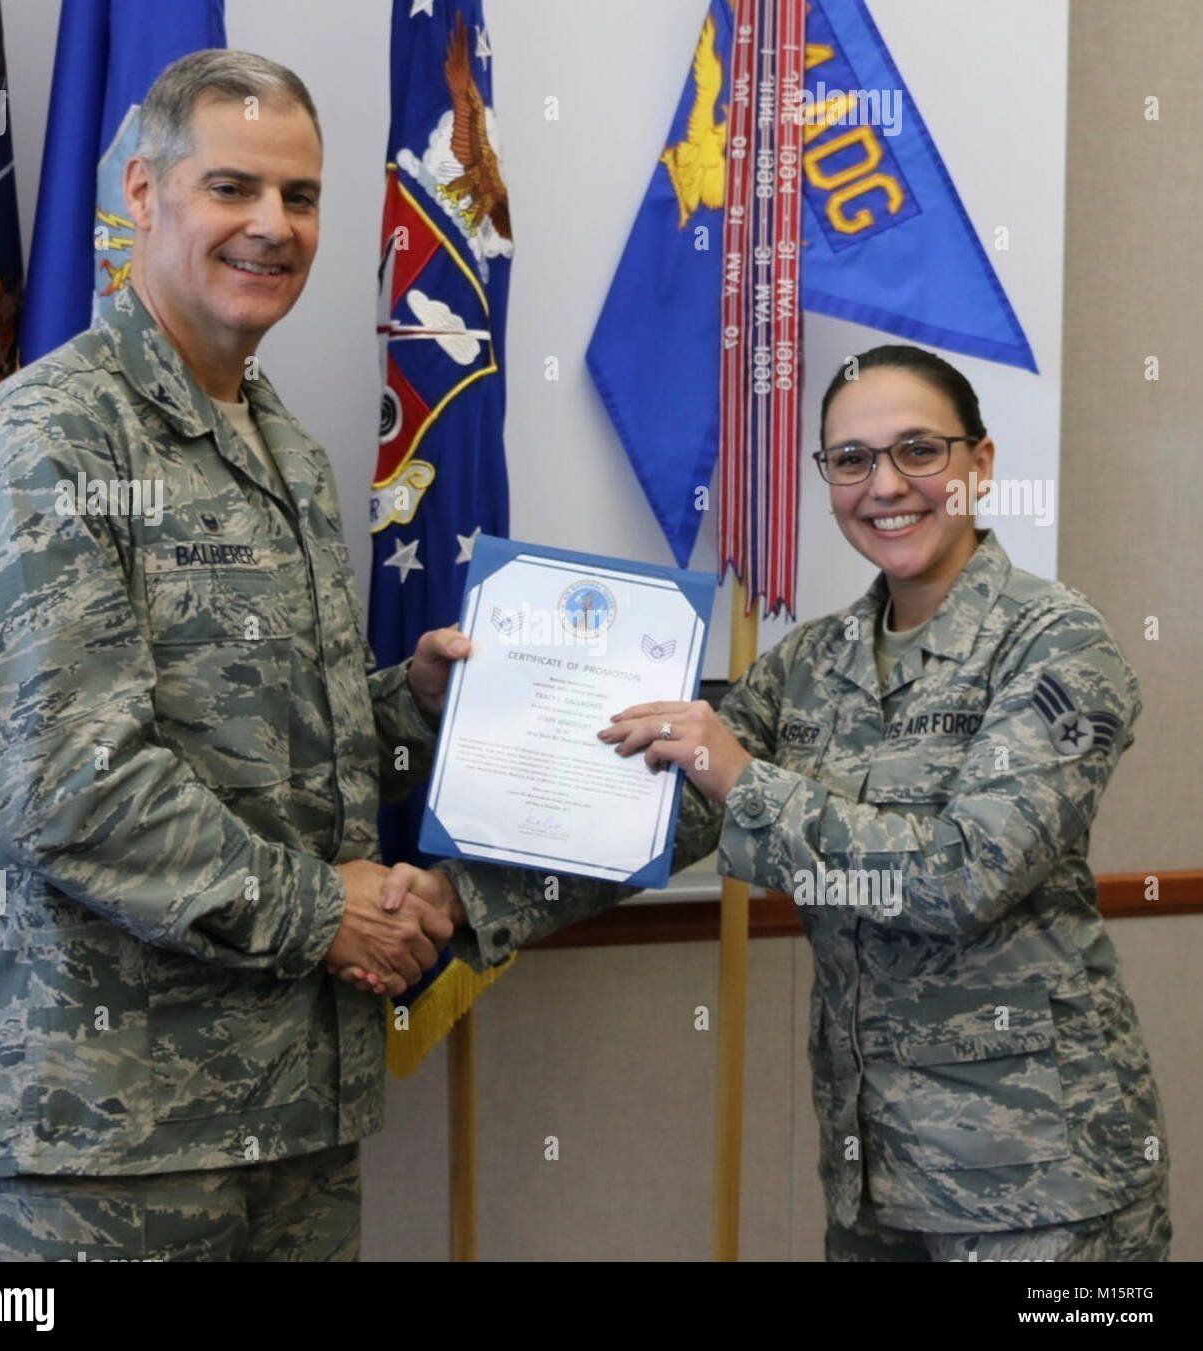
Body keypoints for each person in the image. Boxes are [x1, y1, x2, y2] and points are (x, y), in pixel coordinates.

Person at [359, 345, 1171, 1262]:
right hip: (876, 1174)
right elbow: (666, 809)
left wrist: (742, 775)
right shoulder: (811, 662)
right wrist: (458, 897)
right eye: (853, 459)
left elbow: (964, 877)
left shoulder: (1059, 643)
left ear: (979, 465)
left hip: (1044, 1183)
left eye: (920, 450)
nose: (886, 484)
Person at [0, 49, 503, 1262]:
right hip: (96, 1140)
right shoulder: (46, 439)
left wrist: (415, 706)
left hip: (287, 1112)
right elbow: (68, 782)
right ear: (141, 193)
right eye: (231, 188)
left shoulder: (284, 443)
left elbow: (273, 747)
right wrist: (321, 912)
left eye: (299, 197)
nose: (272, 227)